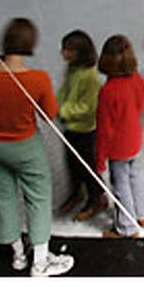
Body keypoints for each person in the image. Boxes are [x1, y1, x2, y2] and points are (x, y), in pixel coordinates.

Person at [0, 18, 73, 277]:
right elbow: (49, 113)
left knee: (3, 200)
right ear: (31, 44)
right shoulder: (37, 79)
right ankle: (40, 261)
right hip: (25, 146)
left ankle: (18, 255)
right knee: (38, 198)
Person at [95, 35, 144, 239]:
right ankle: (141, 214)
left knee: (120, 185)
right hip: (135, 138)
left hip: (118, 147)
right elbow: (139, 106)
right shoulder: (137, 80)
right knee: (134, 176)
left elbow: (104, 129)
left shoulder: (108, 91)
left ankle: (126, 227)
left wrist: (100, 159)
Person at [57, 30, 106, 221]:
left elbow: (88, 106)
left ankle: (96, 197)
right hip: (71, 128)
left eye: (68, 50)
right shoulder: (72, 69)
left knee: (87, 166)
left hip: (85, 130)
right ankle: (76, 192)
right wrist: (57, 104)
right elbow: (64, 90)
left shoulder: (89, 78)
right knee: (72, 164)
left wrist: (64, 110)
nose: (63, 53)